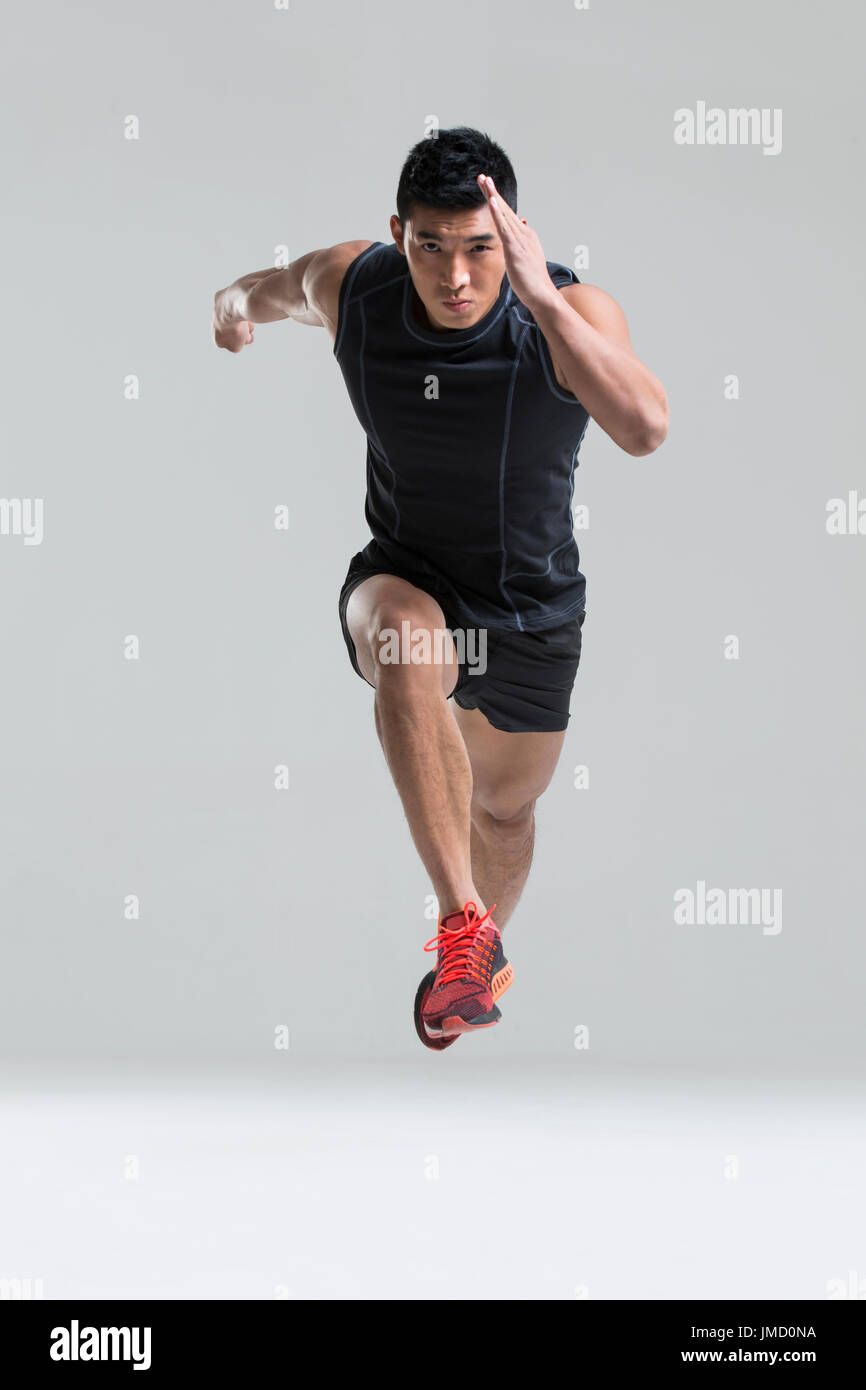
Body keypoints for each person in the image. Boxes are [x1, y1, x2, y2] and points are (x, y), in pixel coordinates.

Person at [212, 127, 668, 1044]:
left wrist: (541, 297)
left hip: (532, 608)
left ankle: (466, 966)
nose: (455, 277)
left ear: (517, 239)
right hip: (406, 573)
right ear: (399, 235)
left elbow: (645, 428)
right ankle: (461, 926)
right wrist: (230, 304)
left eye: (480, 250)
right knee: (403, 639)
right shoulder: (356, 285)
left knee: (505, 813)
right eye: (431, 247)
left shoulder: (572, 314)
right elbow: (266, 288)